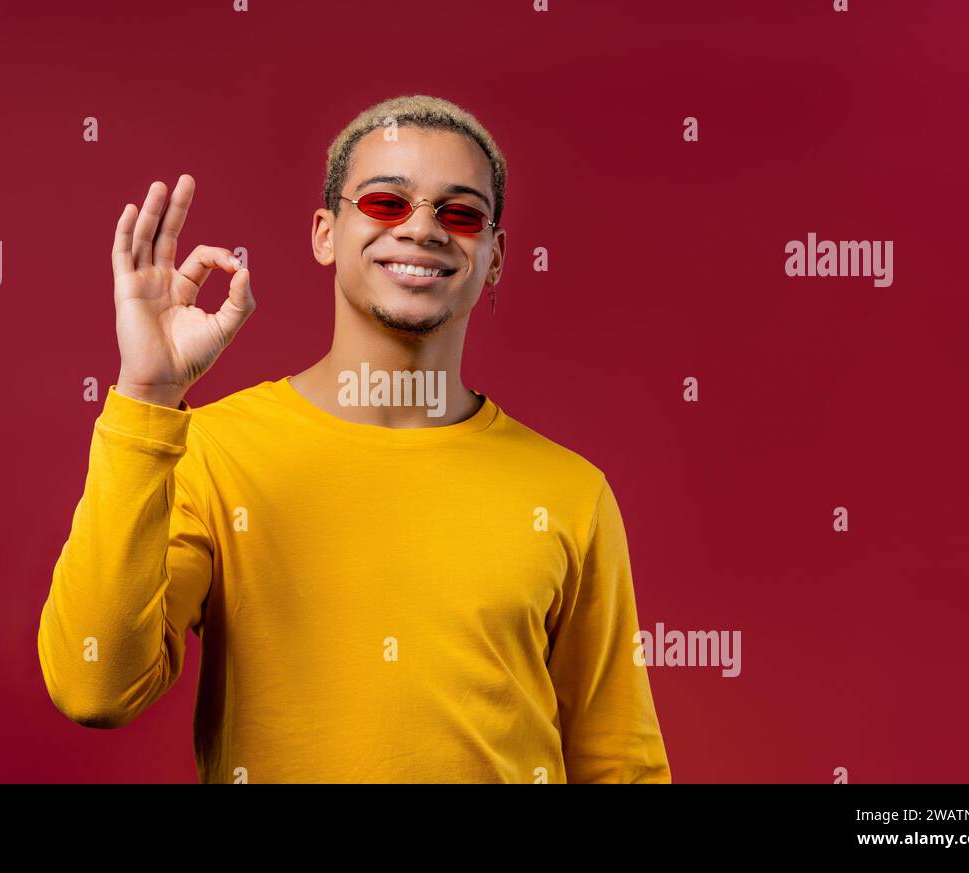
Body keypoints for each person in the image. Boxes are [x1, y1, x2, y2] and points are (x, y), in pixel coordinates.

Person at [36, 94, 671, 784]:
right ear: (325, 233)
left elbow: (620, 764)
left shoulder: (570, 492)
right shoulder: (212, 454)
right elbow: (95, 686)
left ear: (493, 257)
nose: (422, 228)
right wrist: (148, 396)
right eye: (385, 203)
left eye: (459, 213)